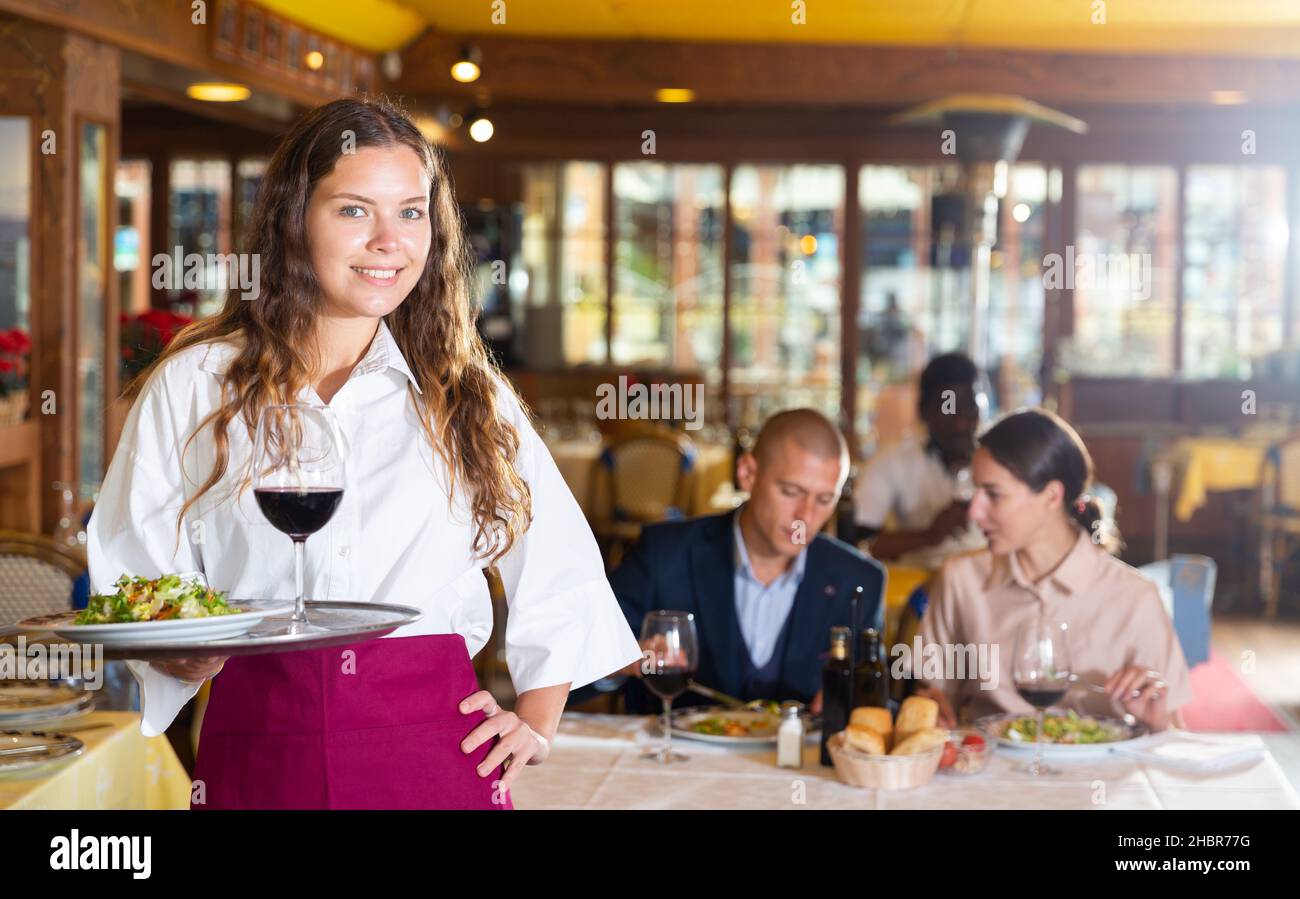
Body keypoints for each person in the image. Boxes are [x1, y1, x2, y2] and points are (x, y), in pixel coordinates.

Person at [86, 97, 641, 810]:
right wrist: (174, 651)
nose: (390, 240)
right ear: (292, 219)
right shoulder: (196, 384)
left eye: (411, 212)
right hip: (258, 751)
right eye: (354, 210)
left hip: (436, 756)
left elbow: (559, 566)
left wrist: (536, 719)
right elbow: (135, 566)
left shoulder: (466, 395)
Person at [913, 409, 1191, 732]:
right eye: (974, 492)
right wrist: (932, 708)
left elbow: (1173, 734)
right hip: (990, 775)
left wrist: (1155, 719)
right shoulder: (961, 579)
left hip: (1102, 778)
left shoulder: (1135, 598)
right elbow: (931, 695)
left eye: (993, 494)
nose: (974, 511)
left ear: (1051, 496)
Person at [591, 409, 885, 714]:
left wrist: (858, 702)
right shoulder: (663, 554)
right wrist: (617, 663)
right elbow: (572, 665)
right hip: (676, 758)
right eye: (791, 491)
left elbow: (875, 699)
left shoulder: (860, 580)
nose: (806, 516)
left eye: (824, 499)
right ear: (747, 474)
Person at [852, 351, 984, 569]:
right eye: (948, 410)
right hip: (918, 590)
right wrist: (929, 536)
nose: (961, 424)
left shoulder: (999, 459)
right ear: (923, 411)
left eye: (969, 409)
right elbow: (860, 543)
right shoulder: (892, 460)